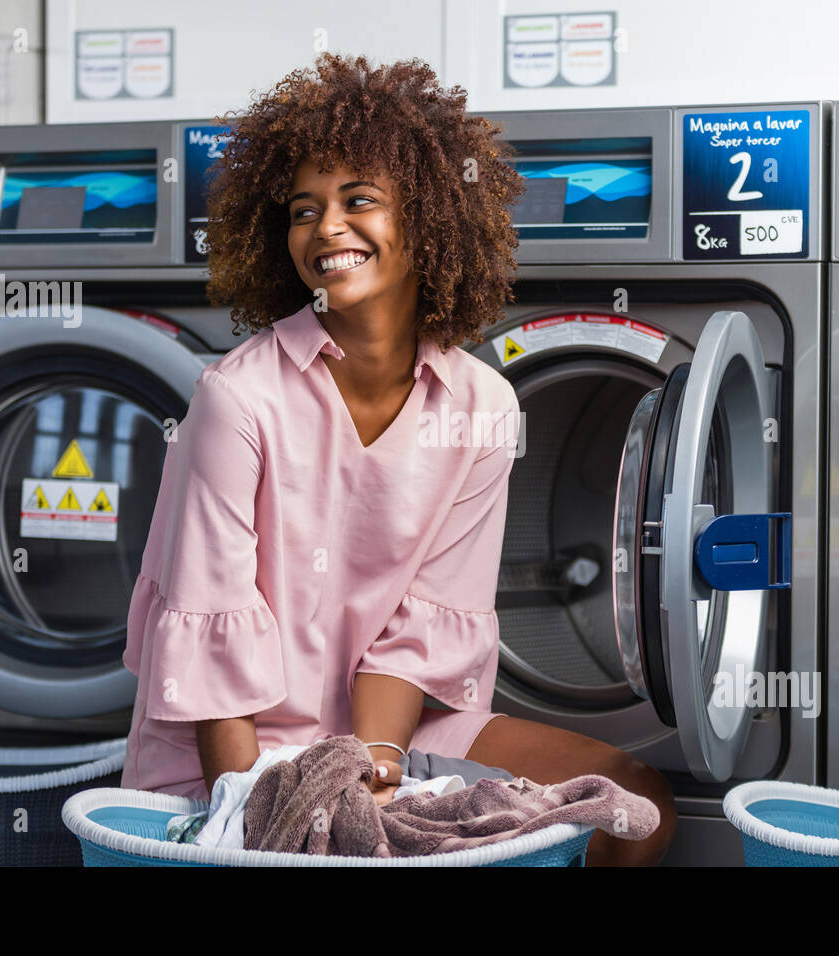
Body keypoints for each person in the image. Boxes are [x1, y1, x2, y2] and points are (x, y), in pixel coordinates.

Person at [121, 52, 677, 866]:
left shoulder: (482, 408)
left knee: (639, 802)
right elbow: (212, 654)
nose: (326, 229)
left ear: (427, 219)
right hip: (243, 745)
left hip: (400, 724)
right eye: (303, 210)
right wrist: (261, 820)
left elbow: (421, 632)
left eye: (359, 202)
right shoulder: (237, 400)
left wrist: (377, 779)